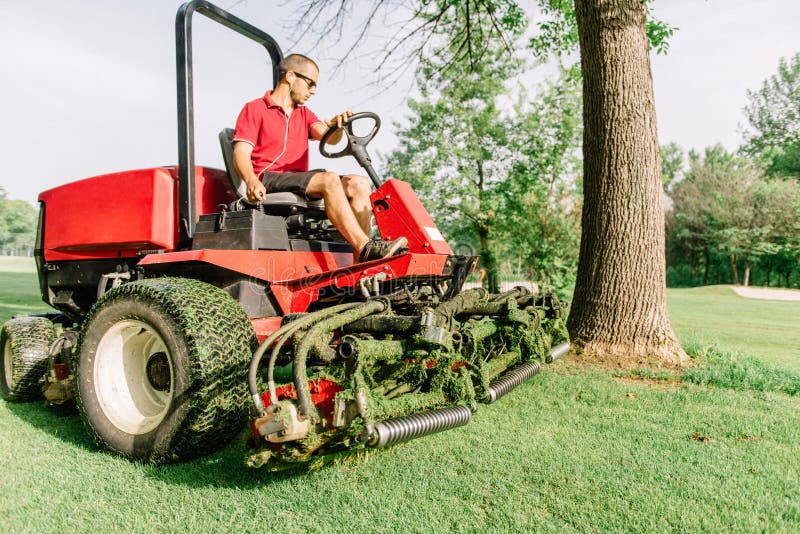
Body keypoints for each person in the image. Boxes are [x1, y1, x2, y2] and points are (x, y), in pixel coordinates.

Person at [232, 53, 407, 262]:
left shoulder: (304, 114)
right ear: (290, 76)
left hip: (298, 180)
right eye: (310, 83)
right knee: (329, 179)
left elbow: (329, 138)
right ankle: (365, 248)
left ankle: (361, 265)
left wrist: (337, 127)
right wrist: (251, 181)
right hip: (269, 178)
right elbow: (241, 152)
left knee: (359, 183)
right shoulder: (255, 108)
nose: (313, 91)